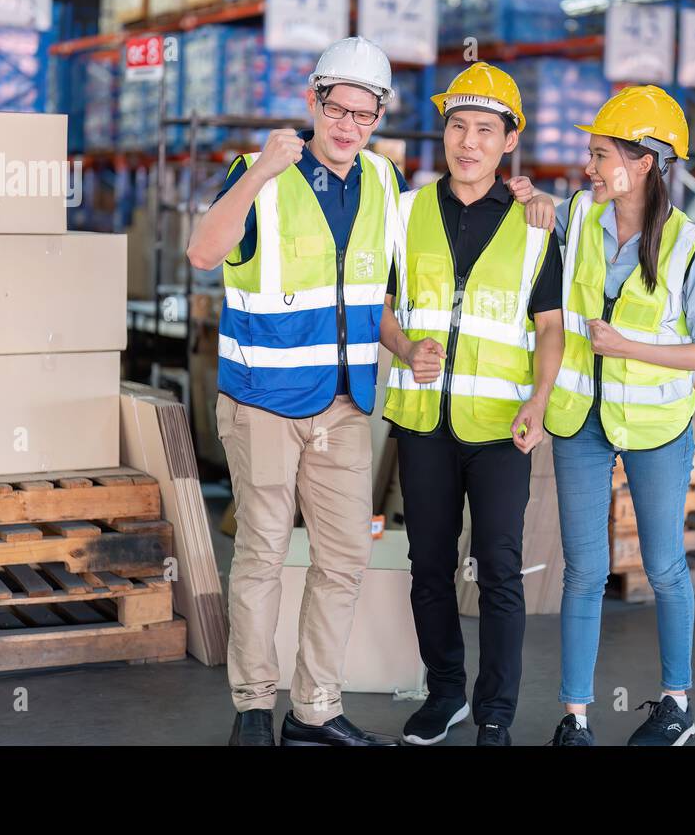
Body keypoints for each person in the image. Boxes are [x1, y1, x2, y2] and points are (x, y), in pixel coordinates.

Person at [186, 36, 409, 747]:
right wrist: (259, 176)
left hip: (344, 404)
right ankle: (253, 706)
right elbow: (201, 252)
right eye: (336, 108)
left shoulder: (381, 182)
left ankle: (313, 710)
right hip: (263, 402)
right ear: (312, 101)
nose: (347, 126)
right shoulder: (259, 171)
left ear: (377, 119)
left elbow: (370, 296)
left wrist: (407, 347)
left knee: (342, 560)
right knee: (262, 554)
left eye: (363, 114)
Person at [522, 86, 695, 747]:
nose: (588, 166)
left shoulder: (692, 247)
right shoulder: (580, 213)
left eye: (600, 153)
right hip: (581, 418)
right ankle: (574, 718)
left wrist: (626, 345)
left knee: (666, 567)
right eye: (589, 152)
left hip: (656, 427)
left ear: (644, 162)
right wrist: (530, 203)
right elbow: (542, 232)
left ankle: (676, 706)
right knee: (584, 571)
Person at [379, 62, 564, 747]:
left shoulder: (537, 224)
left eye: (486, 129)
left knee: (500, 569)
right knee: (427, 564)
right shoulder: (405, 212)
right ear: (444, 132)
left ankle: (496, 711)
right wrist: (404, 348)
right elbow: (384, 309)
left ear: (508, 141)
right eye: (459, 125)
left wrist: (539, 402)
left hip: (500, 428)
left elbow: (552, 327)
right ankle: (446, 692)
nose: (469, 141)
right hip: (425, 420)